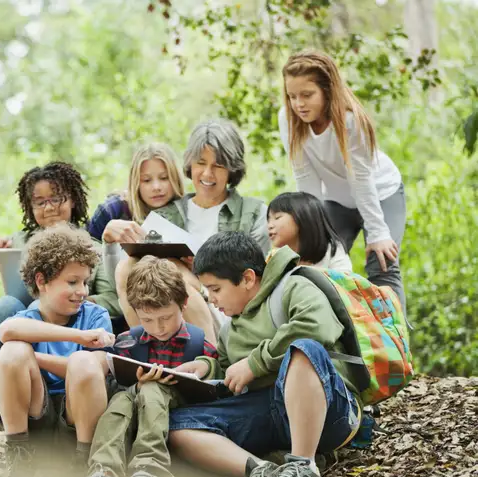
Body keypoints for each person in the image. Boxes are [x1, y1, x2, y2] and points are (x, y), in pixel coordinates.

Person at [167, 232, 361, 477]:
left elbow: (317, 328)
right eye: (207, 291)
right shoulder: (228, 330)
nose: (212, 299)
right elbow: (228, 370)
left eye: (216, 289)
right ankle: (263, 471)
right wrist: (205, 368)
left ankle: (303, 467)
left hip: (331, 412)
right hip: (268, 414)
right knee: (176, 425)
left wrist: (256, 363)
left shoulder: (294, 287)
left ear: (247, 278)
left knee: (304, 349)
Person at [0, 162, 121, 441]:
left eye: (57, 198)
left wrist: (66, 297)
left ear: (72, 199)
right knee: (6, 307)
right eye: (40, 202)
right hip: (27, 324)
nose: (49, 207)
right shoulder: (21, 240)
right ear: (30, 207)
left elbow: (113, 300)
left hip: (71, 329)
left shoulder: (89, 247)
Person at [116, 119, 271, 345]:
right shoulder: (166, 215)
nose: (207, 174)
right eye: (201, 163)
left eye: (218, 165)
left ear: (231, 170)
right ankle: (146, 350)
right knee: (126, 267)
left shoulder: (255, 213)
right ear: (190, 165)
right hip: (169, 311)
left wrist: (198, 273)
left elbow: (254, 283)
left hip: (226, 311)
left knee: (172, 271)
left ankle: (211, 361)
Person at [279, 49, 406, 310]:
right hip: (337, 202)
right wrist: (311, 234)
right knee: (317, 264)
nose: (298, 104)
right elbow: (306, 180)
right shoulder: (289, 120)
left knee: (382, 264)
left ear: (327, 90)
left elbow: (362, 179)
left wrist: (378, 233)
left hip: (381, 193)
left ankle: (396, 345)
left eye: (307, 95)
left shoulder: (349, 120)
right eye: (292, 96)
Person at [81, 257, 216, 477]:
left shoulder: (198, 342)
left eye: (165, 317)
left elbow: (217, 377)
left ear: (184, 303)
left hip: (178, 406)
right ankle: (104, 472)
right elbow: (114, 375)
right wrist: (133, 383)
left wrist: (204, 368)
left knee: (153, 388)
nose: (159, 328)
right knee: (120, 400)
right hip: (134, 403)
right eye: (147, 320)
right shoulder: (128, 340)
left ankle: (148, 474)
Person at [0, 224, 116, 477]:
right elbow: (6, 331)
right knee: (12, 352)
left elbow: (98, 366)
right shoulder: (27, 318)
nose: (82, 291)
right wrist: (78, 336)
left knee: (83, 360)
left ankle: (85, 461)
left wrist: (33, 358)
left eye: (85, 282)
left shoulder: (96, 316)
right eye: (72, 282)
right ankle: (19, 456)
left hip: (78, 418)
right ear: (42, 280)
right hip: (41, 413)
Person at [87, 143, 186, 282]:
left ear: (175, 179)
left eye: (164, 178)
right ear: (135, 183)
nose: (156, 187)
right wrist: (108, 242)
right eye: (146, 180)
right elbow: (87, 264)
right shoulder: (111, 211)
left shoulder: (186, 210)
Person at [267, 192, 352, 271]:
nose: (270, 225)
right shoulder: (275, 259)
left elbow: (346, 283)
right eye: (268, 220)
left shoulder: (332, 252)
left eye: (277, 217)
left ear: (302, 218)